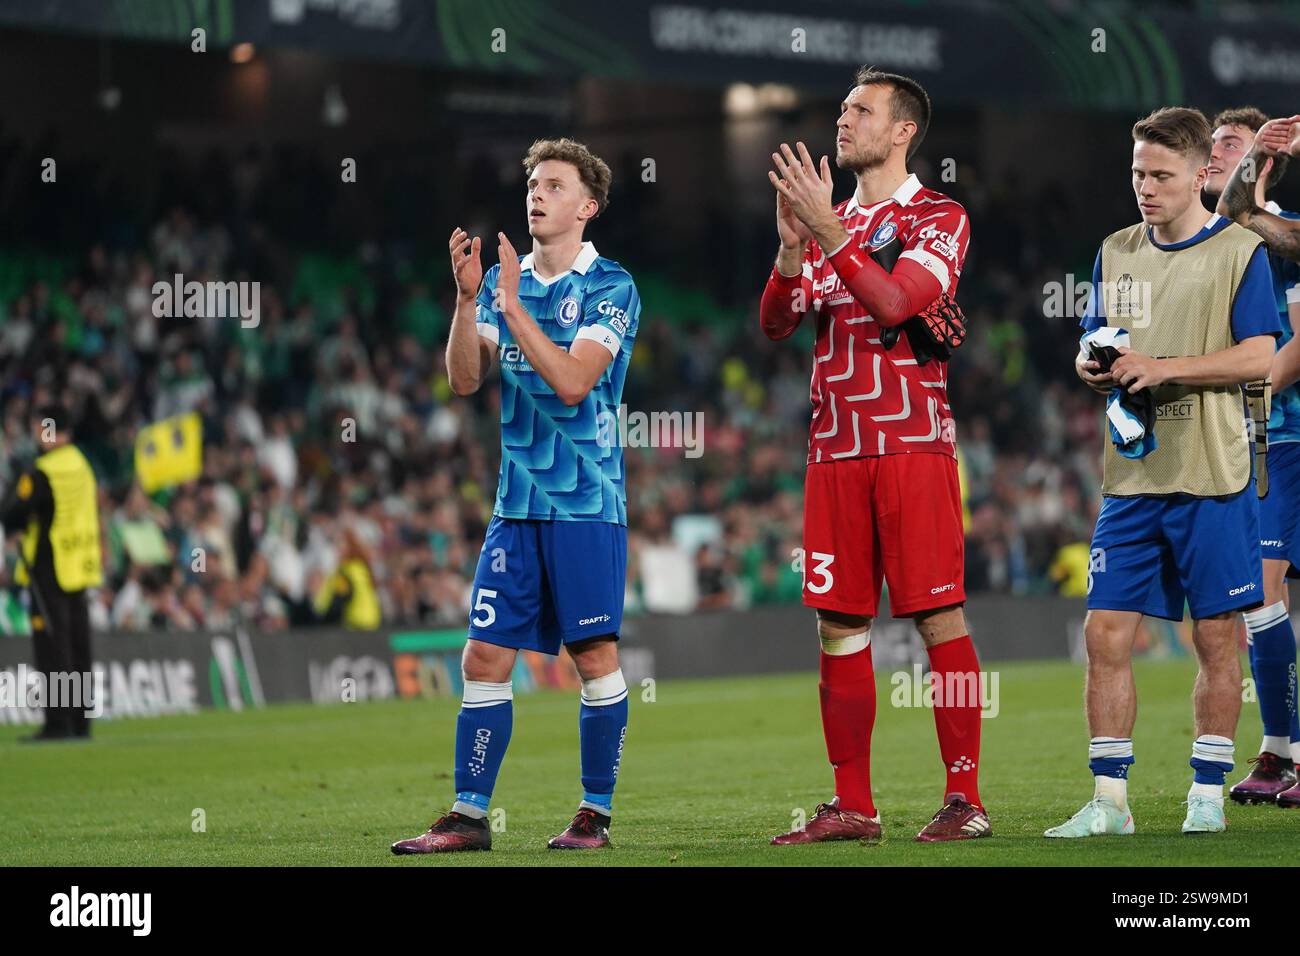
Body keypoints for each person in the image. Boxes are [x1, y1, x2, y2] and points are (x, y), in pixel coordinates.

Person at [391, 139, 640, 854]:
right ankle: (469, 817)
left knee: (592, 659)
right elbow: (465, 380)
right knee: (482, 659)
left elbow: (571, 382)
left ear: (586, 207)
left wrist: (508, 303)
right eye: (533, 184)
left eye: (555, 186)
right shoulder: (508, 281)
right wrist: (469, 303)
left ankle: (594, 813)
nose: (537, 195)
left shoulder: (610, 287)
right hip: (516, 508)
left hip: (586, 507)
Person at [759, 67, 987, 845]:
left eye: (862, 110)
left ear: (903, 131)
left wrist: (827, 231)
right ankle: (853, 806)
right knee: (838, 627)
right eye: (844, 108)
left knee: (936, 615)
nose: (843, 120)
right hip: (834, 448)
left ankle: (966, 801)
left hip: (913, 443)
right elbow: (778, 323)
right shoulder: (832, 218)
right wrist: (793, 252)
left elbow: (895, 304)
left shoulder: (939, 216)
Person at [1050, 107, 1278, 838]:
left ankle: (1206, 792)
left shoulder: (1241, 250)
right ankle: (1109, 801)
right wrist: (1092, 363)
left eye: (1161, 175)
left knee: (1216, 639)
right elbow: (1097, 338)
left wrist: (1166, 369)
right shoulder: (1115, 250)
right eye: (1137, 173)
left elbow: (1259, 355)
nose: (1145, 187)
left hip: (1213, 475)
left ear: (1200, 175)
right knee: (1105, 632)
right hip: (1132, 478)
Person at [1203, 107, 1300, 805]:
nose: (1215, 155)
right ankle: (1278, 750)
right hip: (1249, 440)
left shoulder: (1278, 238)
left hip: (1288, 434)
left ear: (1263, 164)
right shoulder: (1208, 246)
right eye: (1211, 145)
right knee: (1258, 600)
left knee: (1265, 592)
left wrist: (1249, 388)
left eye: (1232, 145)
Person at [0, 404, 103, 741]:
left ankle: (59, 724)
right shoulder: (82, 465)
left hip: (49, 565)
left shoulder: (43, 471)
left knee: (53, 647)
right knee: (78, 643)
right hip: (80, 565)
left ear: (47, 431)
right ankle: (81, 721)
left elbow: (12, 512)